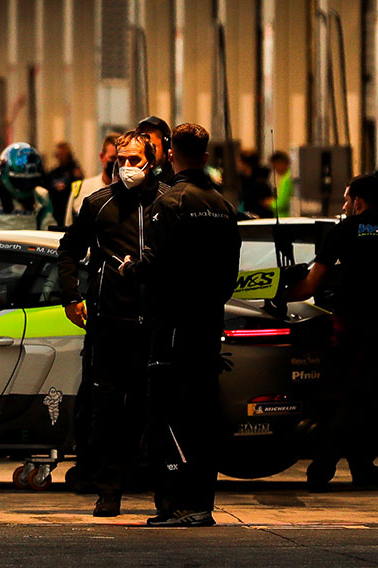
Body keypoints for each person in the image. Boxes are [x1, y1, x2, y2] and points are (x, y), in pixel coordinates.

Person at [119, 123, 240, 526]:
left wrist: (129, 268)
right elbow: (229, 275)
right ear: (205, 157)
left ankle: (176, 503)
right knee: (203, 414)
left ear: (170, 155)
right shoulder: (224, 207)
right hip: (208, 326)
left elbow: (154, 265)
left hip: (171, 327)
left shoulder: (168, 203)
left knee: (168, 415)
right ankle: (202, 503)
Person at [55, 129, 160, 517]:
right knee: (107, 409)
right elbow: (68, 251)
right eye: (121, 160)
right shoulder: (98, 204)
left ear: (152, 161)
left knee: (153, 407)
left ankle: (159, 488)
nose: (127, 167)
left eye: (135, 160)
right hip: (110, 323)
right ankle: (108, 489)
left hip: (156, 323)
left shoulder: (168, 202)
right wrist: (71, 296)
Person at [293, 173, 378, 490]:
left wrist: (278, 292)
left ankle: (321, 469)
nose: (345, 206)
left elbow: (311, 284)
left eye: (347, 199)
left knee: (343, 399)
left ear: (358, 201)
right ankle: (362, 468)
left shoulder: (344, 230)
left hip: (349, 327)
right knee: (365, 396)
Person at [0, 142, 58, 230]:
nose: (26, 185)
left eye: (30, 180)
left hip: (30, 238)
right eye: (20, 180)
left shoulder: (41, 196)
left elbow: (48, 227)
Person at [69, 134, 119, 225]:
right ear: (102, 156)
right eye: (113, 158)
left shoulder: (129, 190)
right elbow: (68, 223)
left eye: (120, 159)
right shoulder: (82, 188)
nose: (117, 163)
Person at [46, 141, 84, 216]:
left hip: (69, 207)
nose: (60, 158)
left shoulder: (75, 172)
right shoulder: (53, 173)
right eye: (59, 155)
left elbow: (78, 190)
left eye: (62, 155)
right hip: (55, 209)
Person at [268, 150, 295, 218]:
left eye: (275, 166)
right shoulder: (290, 176)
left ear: (281, 163)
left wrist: (270, 204)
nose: (275, 169)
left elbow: (282, 204)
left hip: (285, 218)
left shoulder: (287, 179)